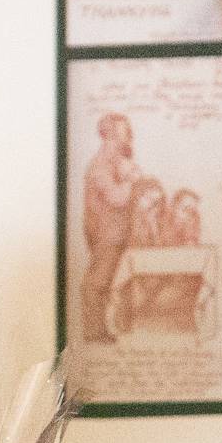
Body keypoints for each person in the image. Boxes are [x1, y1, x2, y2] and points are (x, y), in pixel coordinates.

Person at [81, 112, 142, 343]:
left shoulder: (114, 163)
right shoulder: (100, 166)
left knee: (104, 283)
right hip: (106, 235)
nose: (130, 138)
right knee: (97, 283)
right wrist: (130, 180)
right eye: (126, 133)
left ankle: (98, 331)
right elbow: (117, 198)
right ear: (112, 137)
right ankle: (94, 333)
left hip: (114, 234)